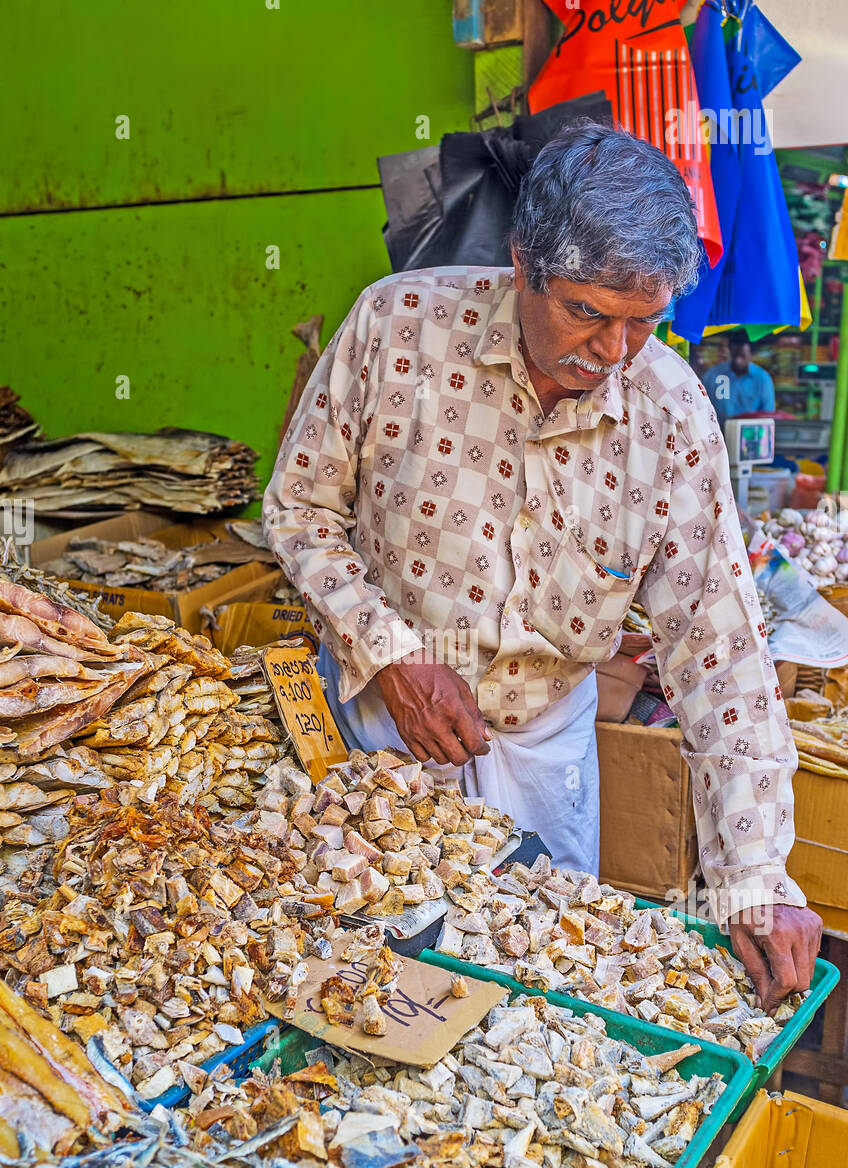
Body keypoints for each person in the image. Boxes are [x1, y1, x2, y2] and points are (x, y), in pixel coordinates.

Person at [263, 121, 821, 1012]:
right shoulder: (398, 327)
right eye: (588, 312)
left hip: (545, 751)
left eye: (643, 322)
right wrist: (392, 654)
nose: (611, 353)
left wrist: (756, 877)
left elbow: (722, 657)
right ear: (522, 261)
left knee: (532, 1005)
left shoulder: (670, 415)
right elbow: (300, 509)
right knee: (374, 997)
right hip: (380, 734)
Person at [701, 330, 776, 430]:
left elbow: (768, 417)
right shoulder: (712, 376)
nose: (738, 361)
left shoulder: (763, 379)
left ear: (751, 355)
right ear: (730, 351)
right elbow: (702, 409)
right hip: (718, 438)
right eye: (735, 356)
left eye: (742, 356)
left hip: (751, 437)